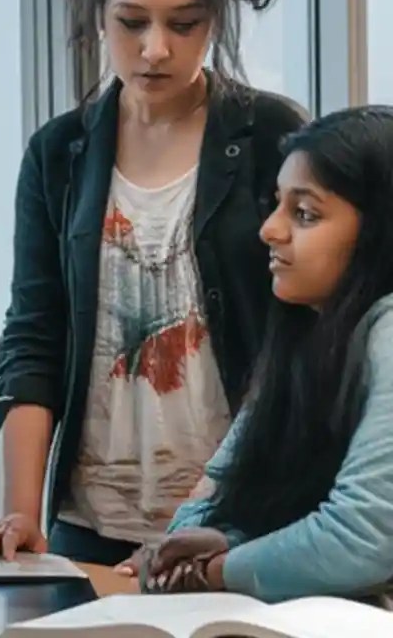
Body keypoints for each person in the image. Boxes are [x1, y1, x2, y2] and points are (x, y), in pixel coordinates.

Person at [0, 0, 309, 566]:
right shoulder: (55, 155)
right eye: (131, 22)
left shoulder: (274, 135)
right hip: (89, 523)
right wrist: (20, 510)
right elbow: (34, 338)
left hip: (240, 525)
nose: (155, 50)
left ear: (215, 20)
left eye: (184, 24)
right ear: (97, 13)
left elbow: (303, 339)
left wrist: (219, 508)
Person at [139, 107, 393, 604]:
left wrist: (218, 569)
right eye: (277, 205)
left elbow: (362, 537)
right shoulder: (305, 333)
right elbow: (207, 500)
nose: (269, 230)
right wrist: (222, 543)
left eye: (305, 214)